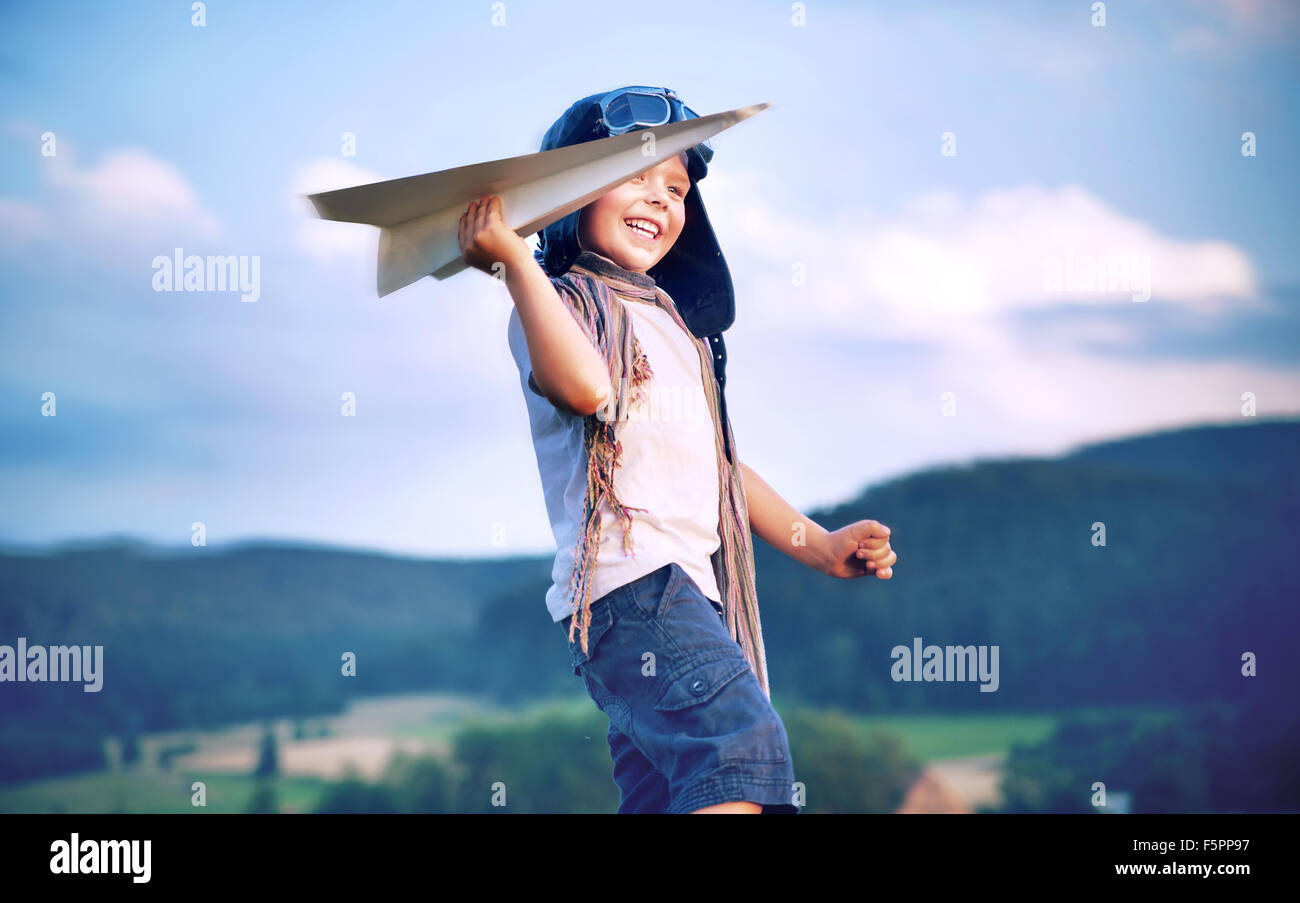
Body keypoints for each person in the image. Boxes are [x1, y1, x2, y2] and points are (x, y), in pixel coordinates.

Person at [458, 86, 897, 814]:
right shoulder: (559, 305)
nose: (660, 199)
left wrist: (819, 544)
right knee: (741, 748)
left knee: (668, 794)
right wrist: (514, 263)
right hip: (635, 592)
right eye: (635, 176)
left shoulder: (676, 331)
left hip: (686, 594)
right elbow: (583, 386)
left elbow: (720, 468)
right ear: (570, 196)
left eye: (676, 187)